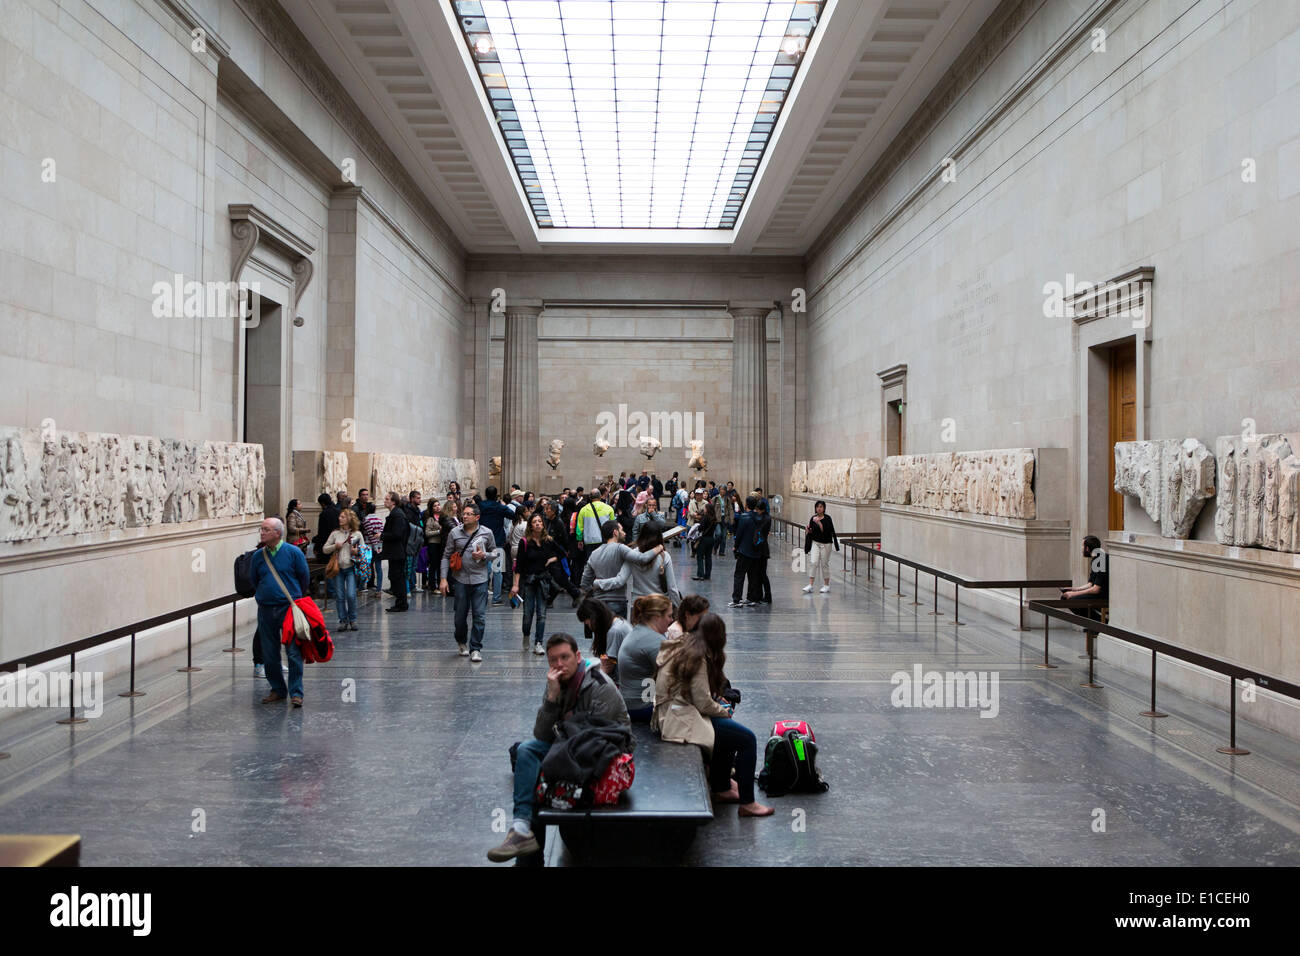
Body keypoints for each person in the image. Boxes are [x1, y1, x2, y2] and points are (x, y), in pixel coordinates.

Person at [487, 633, 630, 863]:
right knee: (526, 750)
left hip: (606, 752)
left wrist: (557, 746)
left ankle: (527, 856)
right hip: (570, 744)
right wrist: (552, 698)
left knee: (534, 780)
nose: (559, 664)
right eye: (553, 660)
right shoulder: (556, 682)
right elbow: (541, 734)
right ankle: (521, 827)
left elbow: (597, 739)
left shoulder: (600, 686)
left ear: (578, 656)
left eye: (565, 657)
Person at [652, 612, 772, 817]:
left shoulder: (687, 646)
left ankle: (723, 787)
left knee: (728, 735)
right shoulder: (698, 657)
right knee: (747, 739)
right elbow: (702, 702)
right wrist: (724, 711)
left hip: (673, 712)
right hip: (680, 718)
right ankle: (748, 803)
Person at [249, 517, 310, 708]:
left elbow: (304, 577)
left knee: (293, 651)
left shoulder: (293, 553)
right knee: (269, 652)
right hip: (266, 609)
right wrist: (264, 594)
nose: (262, 532)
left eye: (266, 529)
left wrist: (294, 598)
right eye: (261, 529)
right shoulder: (258, 556)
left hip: (288, 608)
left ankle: (296, 692)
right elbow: (254, 580)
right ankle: (277, 688)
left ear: (278, 533)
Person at [440, 502, 499, 662]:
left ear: (477, 517)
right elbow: (446, 556)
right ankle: (461, 641)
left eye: (467, 514)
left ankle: (476, 648)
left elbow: (495, 552)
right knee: (460, 616)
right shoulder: (454, 532)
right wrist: (443, 578)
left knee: (479, 616)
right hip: (460, 580)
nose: (464, 516)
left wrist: (484, 555)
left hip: (480, 579)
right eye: (463, 514)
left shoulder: (487, 533)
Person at [582, 519, 664, 618]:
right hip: (617, 600)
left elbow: (585, 582)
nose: (624, 533)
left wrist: (594, 589)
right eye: (622, 530)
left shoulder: (594, 553)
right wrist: (658, 548)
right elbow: (642, 558)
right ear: (615, 532)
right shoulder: (620, 548)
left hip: (598, 602)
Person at [510, 513, 568, 654]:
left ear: (543, 525)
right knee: (528, 614)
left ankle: (538, 643)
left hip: (543, 581)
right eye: (535, 522)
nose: (537, 524)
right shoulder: (525, 542)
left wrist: (551, 560)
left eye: (540, 521)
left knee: (542, 614)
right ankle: (526, 635)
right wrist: (516, 584)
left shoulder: (548, 541)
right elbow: (519, 566)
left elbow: (562, 553)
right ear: (530, 525)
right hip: (529, 581)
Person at [593, 523, 680, 610]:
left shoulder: (632, 554)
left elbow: (619, 581)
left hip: (638, 605)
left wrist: (597, 583)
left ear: (641, 535)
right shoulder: (664, 557)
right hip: (659, 605)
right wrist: (677, 608)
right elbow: (672, 588)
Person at [616, 593, 673, 721]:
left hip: (631, 703)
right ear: (657, 617)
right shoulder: (654, 639)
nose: (671, 620)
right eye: (669, 616)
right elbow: (674, 677)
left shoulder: (639, 631)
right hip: (643, 706)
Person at [322, 509, 363, 631]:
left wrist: (357, 551)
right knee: (339, 596)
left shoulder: (357, 534)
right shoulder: (335, 534)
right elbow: (325, 549)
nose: (340, 519)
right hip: (338, 568)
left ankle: (353, 619)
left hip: (351, 567)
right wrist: (335, 546)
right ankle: (342, 620)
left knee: (350, 594)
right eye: (340, 517)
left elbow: (364, 551)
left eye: (343, 517)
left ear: (350, 519)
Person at [576, 596, 632, 678]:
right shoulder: (615, 622)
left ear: (594, 619)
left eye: (587, 624)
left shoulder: (614, 631)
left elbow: (607, 667)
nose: (589, 628)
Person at [478, 486, 515, 605]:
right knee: (498, 570)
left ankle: (482, 596)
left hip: (482, 540)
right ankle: (496, 598)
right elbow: (512, 514)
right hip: (497, 540)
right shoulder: (500, 507)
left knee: (484, 570)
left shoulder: (481, 506)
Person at [572, 490, 615, 585]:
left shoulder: (583, 510)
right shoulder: (609, 508)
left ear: (590, 498)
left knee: (592, 564)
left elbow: (579, 527)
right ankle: (604, 583)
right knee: (605, 563)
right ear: (600, 497)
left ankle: (592, 584)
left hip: (589, 541)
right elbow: (613, 525)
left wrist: (579, 539)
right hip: (605, 541)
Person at [729, 495, 762, 608]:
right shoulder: (758, 517)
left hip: (744, 551)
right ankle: (751, 598)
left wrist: (735, 546)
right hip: (756, 551)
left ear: (746, 504)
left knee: (739, 575)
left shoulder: (744, 517)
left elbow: (739, 534)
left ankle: (737, 600)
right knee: (752, 576)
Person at [380, 492, 410, 612]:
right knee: (396, 577)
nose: (385, 501)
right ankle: (400, 602)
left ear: (393, 502)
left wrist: (381, 536)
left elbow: (397, 534)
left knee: (397, 577)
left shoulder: (397, 515)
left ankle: (401, 603)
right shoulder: (396, 514)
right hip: (395, 551)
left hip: (397, 552)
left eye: (387, 499)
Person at [802, 500, 839, 593]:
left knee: (824, 564)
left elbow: (827, 532)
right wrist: (808, 530)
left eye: (821, 506)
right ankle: (810, 584)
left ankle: (826, 585)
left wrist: (819, 524)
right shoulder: (813, 518)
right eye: (817, 506)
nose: (819, 508)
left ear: (824, 508)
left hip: (826, 544)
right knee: (813, 562)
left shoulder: (827, 518)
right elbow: (811, 531)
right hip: (815, 543)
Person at [691, 492, 717, 581]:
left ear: (708, 510)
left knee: (700, 556)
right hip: (711, 539)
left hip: (704, 539)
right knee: (708, 558)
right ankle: (707, 575)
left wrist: (698, 525)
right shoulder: (714, 518)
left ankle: (700, 574)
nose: (704, 509)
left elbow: (701, 528)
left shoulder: (705, 517)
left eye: (705, 508)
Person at [362, 502, 383, 592]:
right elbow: (381, 534)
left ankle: (362, 586)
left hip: (369, 547)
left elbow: (370, 534)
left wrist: (374, 546)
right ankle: (379, 588)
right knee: (378, 568)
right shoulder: (379, 520)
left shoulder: (366, 520)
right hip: (378, 546)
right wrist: (378, 546)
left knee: (366, 566)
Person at [423, 498, 443, 592]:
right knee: (433, 565)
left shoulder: (442, 517)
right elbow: (427, 533)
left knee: (440, 565)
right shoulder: (430, 519)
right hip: (433, 544)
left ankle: (440, 584)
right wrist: (439, 531)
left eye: (438, 505)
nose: (437, 507)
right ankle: (432, 586)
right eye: (435, 506)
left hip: (441, 544)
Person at [312, 493, 339, 560]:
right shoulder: (338, 511)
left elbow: (322, 532)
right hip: (337, 541)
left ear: (323, 503)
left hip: (326, 543)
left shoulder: (324, 513)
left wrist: (317, 546)